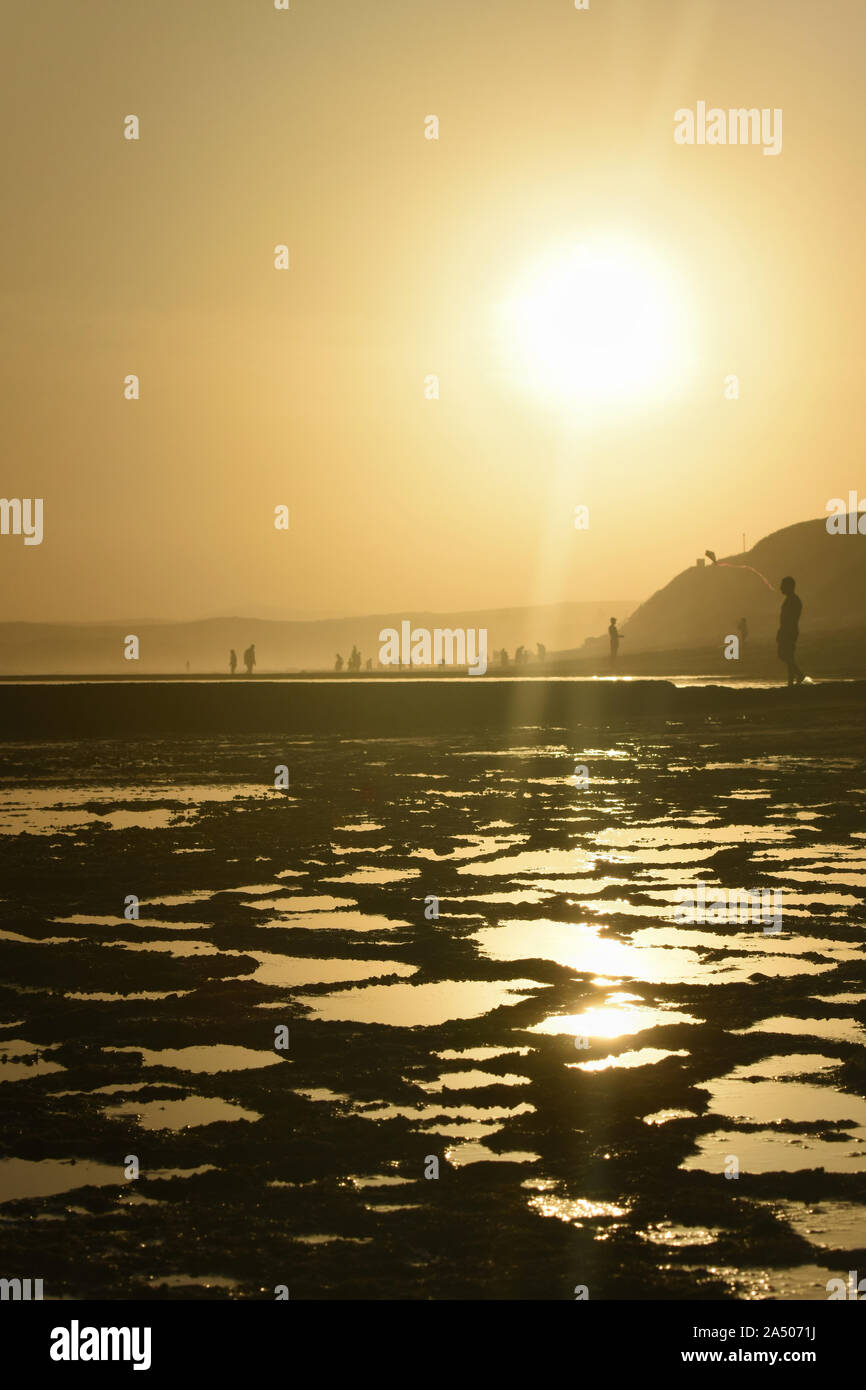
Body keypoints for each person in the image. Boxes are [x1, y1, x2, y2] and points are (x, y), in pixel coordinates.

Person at [777, 577, 804, 686]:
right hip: (787, 631)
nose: (780, 588)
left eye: (783, 585)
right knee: (787, 656)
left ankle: (798, 676)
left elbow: (791, 619)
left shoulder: (794, 600)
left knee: (785, 655)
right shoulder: (791, 599)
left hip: (789, 631)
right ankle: (791, 682)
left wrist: (784, 632)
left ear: (789, 586)